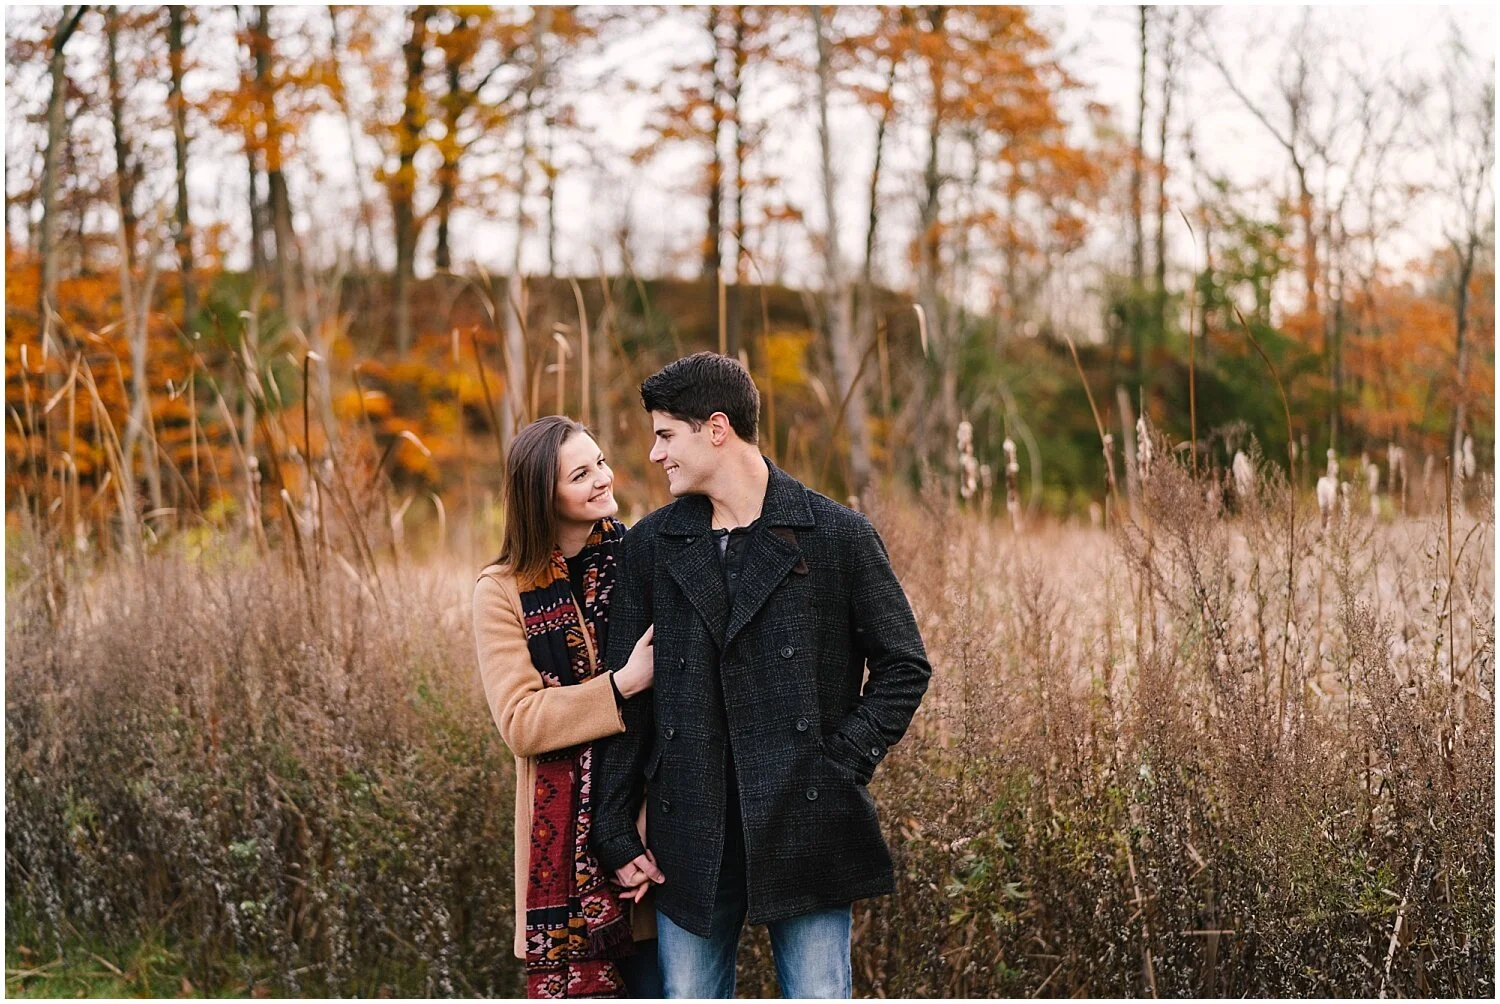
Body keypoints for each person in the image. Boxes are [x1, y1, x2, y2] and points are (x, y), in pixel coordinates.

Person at [590, 353, 931, 998]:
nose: (656, 453)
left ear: (717, 429)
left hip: (805, 817)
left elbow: (903, 666)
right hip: (688, 831)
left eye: (666, 435)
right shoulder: (652, 546)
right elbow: (631, 698)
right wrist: (613, 827)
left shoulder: (837, 535)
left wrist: (838, 763)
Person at [473, 415, 662, 998]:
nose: (603, 478)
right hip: (561, 865)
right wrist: (621, 686)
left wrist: (637, 832)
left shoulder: (642, 561)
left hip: (649, 845)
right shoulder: (501, 590)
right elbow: (521, 722)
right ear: (542, 496)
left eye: (600, 462)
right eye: (580, 475)